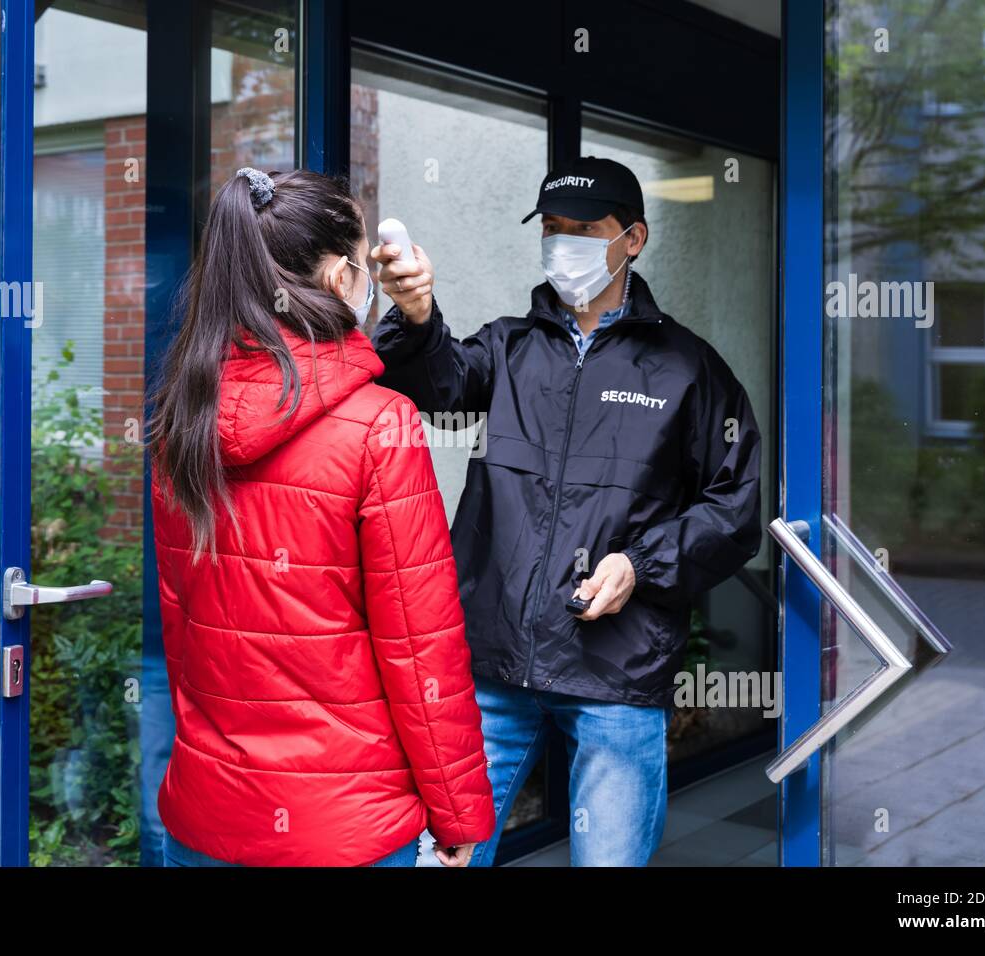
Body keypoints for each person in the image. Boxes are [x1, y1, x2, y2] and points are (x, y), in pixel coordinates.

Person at [370, 156, 762, 867]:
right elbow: (437, 392)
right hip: (488, 667)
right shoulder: (508, 347)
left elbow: (734, 507)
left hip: (615, 674)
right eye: (553, 228)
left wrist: (640, 565)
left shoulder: (687, 368)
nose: (564, 244)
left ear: (633, 238)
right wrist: (418, 316)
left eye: (585, 229)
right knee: (437, 862)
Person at [146, 167, 495, 867]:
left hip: (207, 814)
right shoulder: (380, 426)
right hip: (346, 831)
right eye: (364, 264)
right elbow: (420, 646)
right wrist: (458, 813)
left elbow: (183, 633)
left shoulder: (182, 421)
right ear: (340, 280)